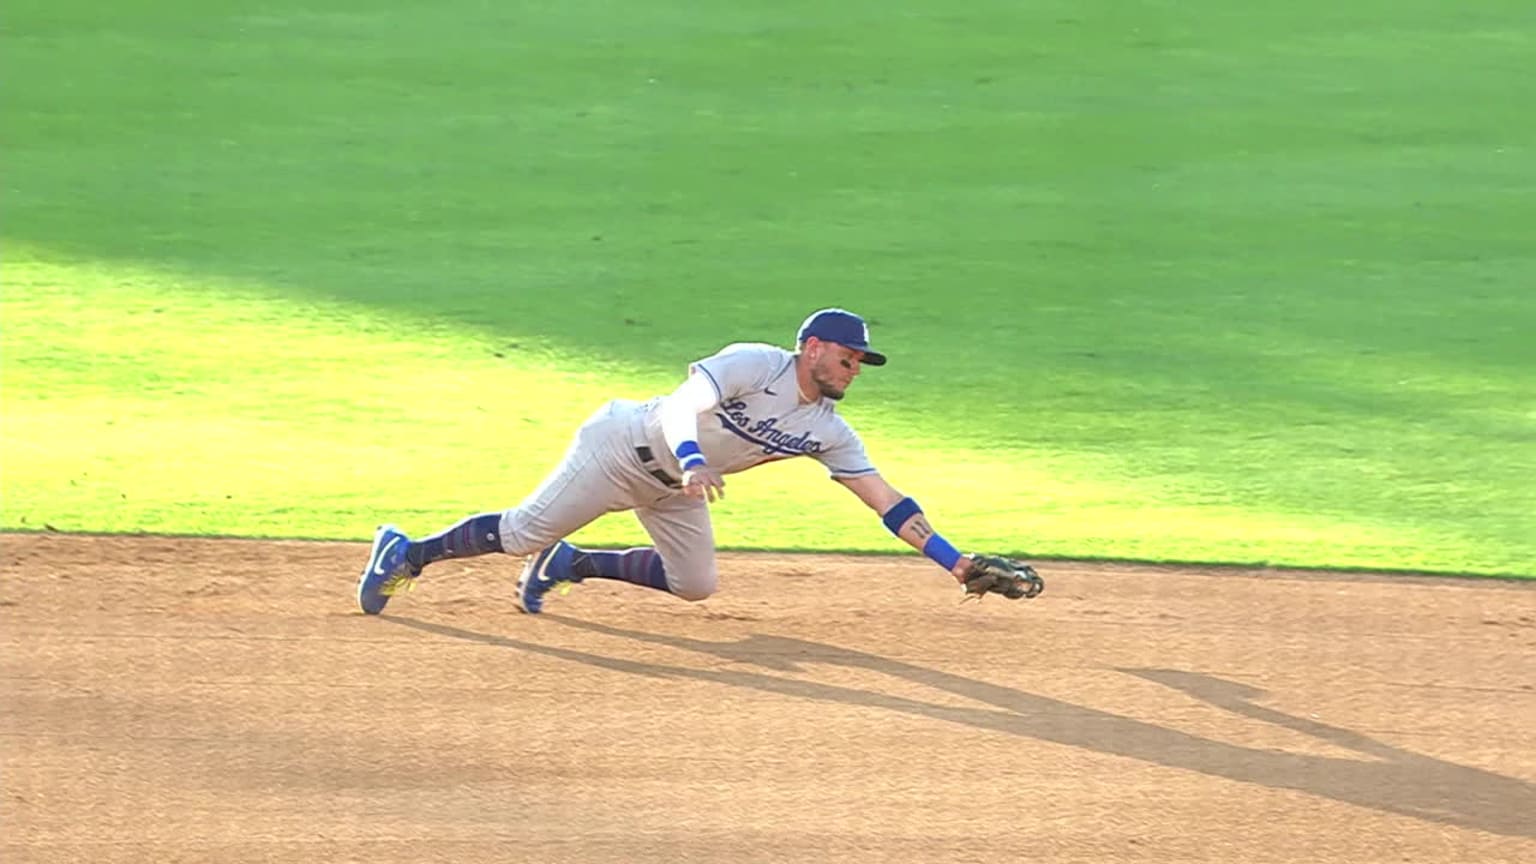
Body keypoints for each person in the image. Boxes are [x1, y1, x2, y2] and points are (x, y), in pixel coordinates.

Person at [358, 308, 1037, 615]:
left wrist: (957, 562)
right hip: (625, 447)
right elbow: (681, 408)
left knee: (696, 586)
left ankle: (574, 564)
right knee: (518, 534)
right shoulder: (752, 362)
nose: (854, 370)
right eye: (846, 356)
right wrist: (690, 461)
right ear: (811, 348)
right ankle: (407, 553)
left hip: (683, 487)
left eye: (860, 363)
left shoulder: (830, 432)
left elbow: (889, 502)